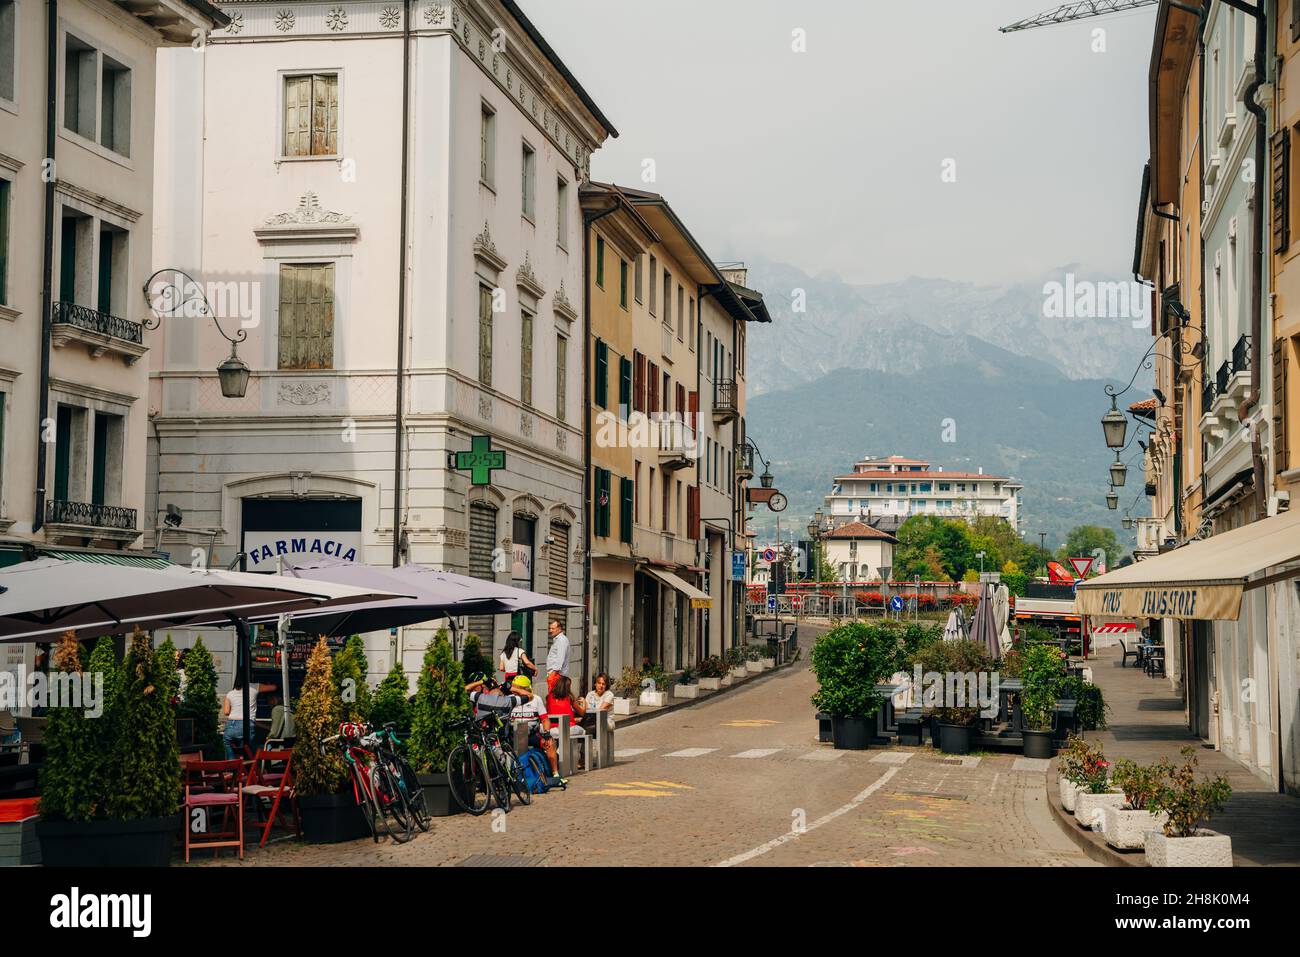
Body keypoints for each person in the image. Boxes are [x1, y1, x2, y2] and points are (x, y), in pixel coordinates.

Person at [507, 676, 560, 779]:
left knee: (550, 742)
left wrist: (546, 732)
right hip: (513, 735)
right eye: (514, 688)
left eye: (518, 688)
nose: (515, 691)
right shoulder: (510, 699)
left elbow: (545, 719)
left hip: (531, 735)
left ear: (526, 689)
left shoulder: (536, 699)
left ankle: (555, 774)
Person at [222, 672, 276, 758]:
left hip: (230, 726)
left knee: (229, 746)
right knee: (248, 751)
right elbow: (273, 688)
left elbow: (226, 712)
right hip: (246, 725)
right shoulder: (253, 687)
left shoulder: (230, 693)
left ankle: (232, 766)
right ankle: (267, 749)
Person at [546, 674, 587, 738]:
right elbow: (582, 712)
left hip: (552, 729)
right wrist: (584, 702)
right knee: (583, 731)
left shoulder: (549, 697)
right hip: (567, 729)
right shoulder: (569, 698)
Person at [545, 618, 569, 692]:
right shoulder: (558, 640)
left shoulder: (561, 640)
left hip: (557, 676)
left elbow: (560, 659)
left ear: (559, 628)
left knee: (555, 697)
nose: (550, 630)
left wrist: (552, 675)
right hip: (555, 675)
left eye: (553, 628)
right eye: (550, 628)